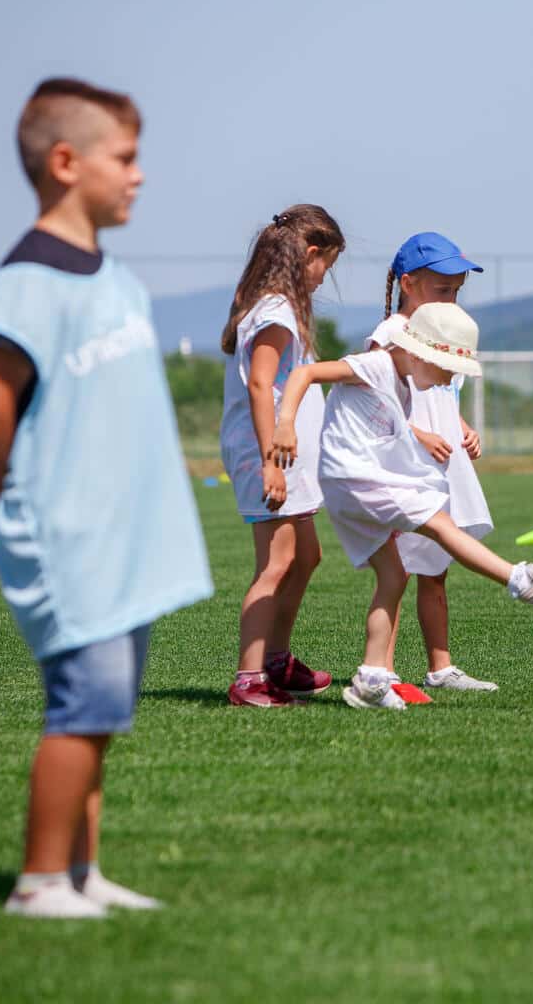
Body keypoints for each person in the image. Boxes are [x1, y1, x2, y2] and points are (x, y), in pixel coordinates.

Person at [0, 78, 213, 918]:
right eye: (127, 157)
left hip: (120, 538)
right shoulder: (28, 279)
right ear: (66, 163)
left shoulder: (117, 279)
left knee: (105, 710)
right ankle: (38, 884)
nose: (140, 175)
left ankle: (82, 873)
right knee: (85, 703)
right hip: (68, 536)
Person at [271, 302, 533, 710]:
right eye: (445, 367)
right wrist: (286, 423)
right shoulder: (375, 365)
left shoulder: (404, 386)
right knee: (444, 525)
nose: (448, 378)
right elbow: (305, 373)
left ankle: (371, 680)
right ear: (418, 353)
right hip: (356, 478)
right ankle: (522, 580)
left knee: (393, 576)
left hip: (348, 486)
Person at [218, 206, 344, 707]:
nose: (323, 279)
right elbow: (259, 384)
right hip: (265, 456)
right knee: (277, 562)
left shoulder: (275, 307)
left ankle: (277, 660)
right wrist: (271, 460)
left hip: (288, 459)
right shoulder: (274, 311)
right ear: (310, 255)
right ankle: (250, 677)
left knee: (306, 556)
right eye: (326, 267)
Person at [363, 232, 497, 693]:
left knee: (435, 570)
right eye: (442, 290)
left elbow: (440, 392)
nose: (451, 300)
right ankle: (384, 673)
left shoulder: (442, 334)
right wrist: (418, 433)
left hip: (438, 468)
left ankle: (441, 668)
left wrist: (461, 426)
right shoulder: (388, 337)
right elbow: (377, 401)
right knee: (396, 572)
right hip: (402, 468)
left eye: (456, 291)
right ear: (408, 284)